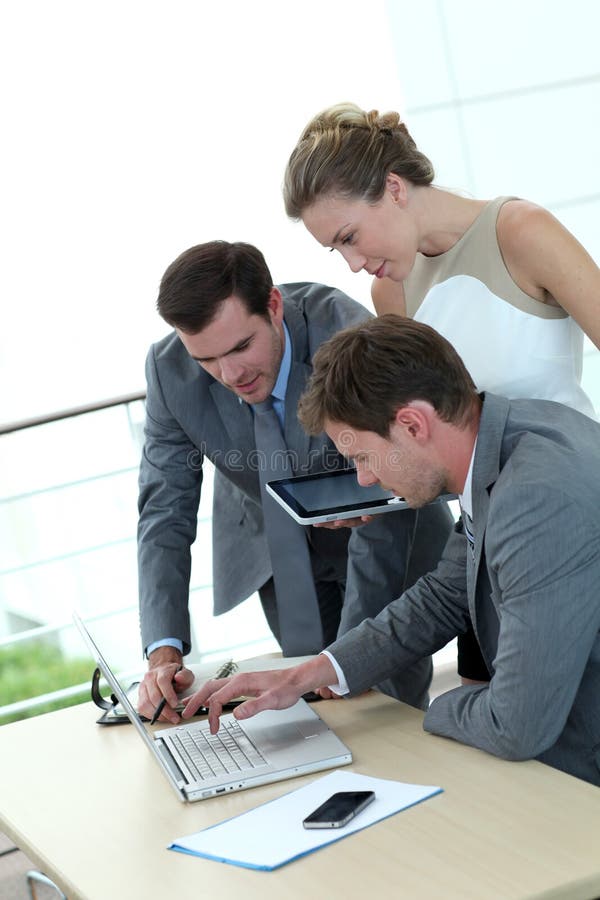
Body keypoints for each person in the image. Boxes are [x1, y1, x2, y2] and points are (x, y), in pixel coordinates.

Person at [182, 315, 600, 787]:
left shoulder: (533, 498)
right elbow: (444, 596)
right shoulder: (512, 442)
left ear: (412, 423)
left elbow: (516, 724)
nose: (362, 479)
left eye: (362, 456)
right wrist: (309, 674)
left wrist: (430, 707)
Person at [282, 101, 600, 684]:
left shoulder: (520, 233)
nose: (353, 265)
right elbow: (430, 435)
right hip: (485, 551)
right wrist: (375, 496)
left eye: (350, 237)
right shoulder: (392, 295)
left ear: (395, 188)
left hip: (576, 524)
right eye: (336, 251)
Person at [136, 240, 453, 722]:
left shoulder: (346, 333)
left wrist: (346, 661)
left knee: (383, 704)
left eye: (242, 346)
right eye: (207, 360)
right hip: (276, 553)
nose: (230, 374)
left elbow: (386, 505)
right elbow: (164, 510)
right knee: (311, 710)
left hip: (385, 536)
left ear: (275, 305)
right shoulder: (168, 372)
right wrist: (163, 651)